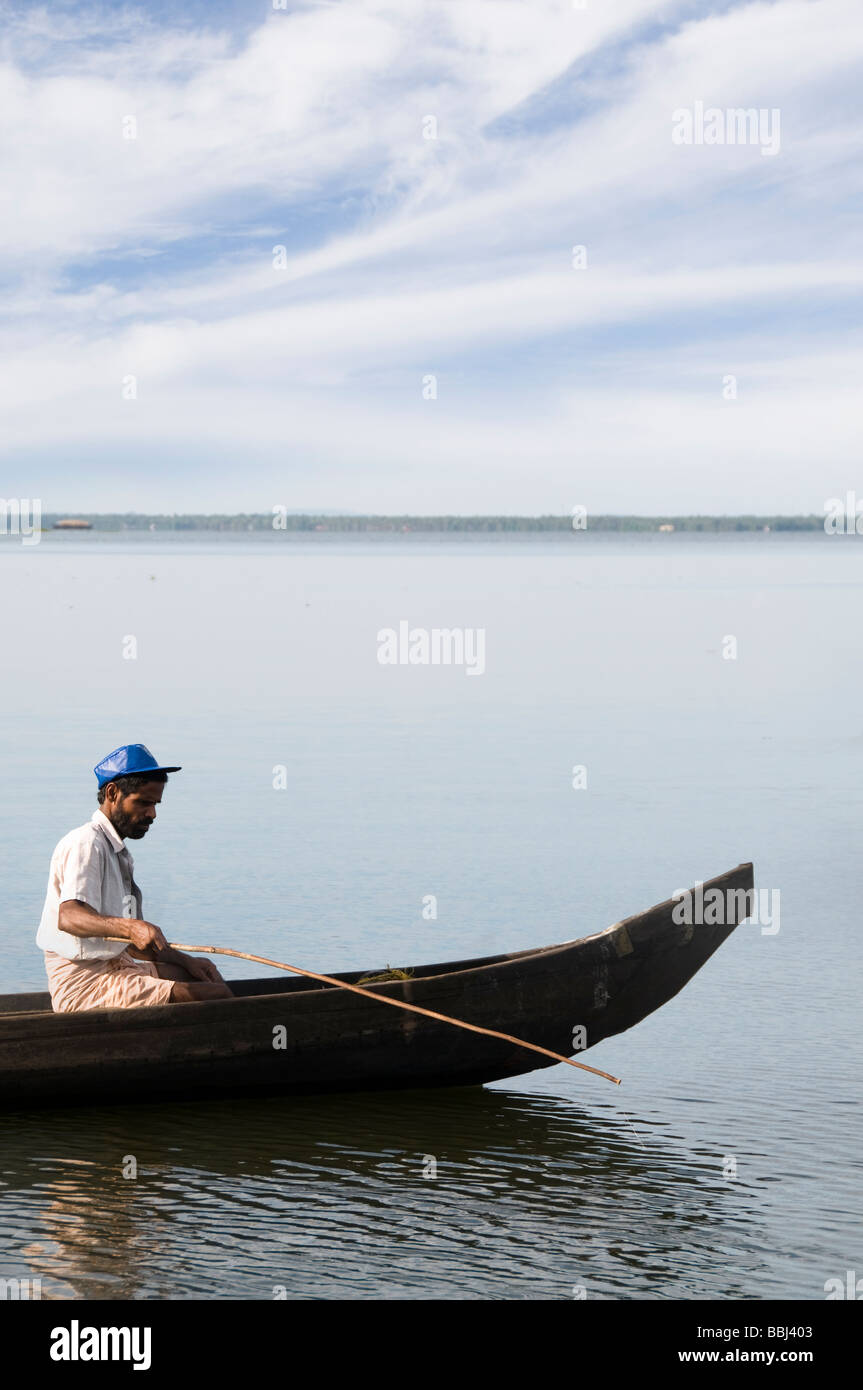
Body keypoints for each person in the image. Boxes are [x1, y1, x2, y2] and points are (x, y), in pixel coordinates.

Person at [36, 743, 233, 1012]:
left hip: (118, 968)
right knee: (216, 996)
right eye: (143, 802)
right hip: (84, 985)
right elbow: (70, 916)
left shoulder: (118, 853)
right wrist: (131, 928)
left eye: (155, 804)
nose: (152, 814)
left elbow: (136, 948)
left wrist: (187, 961)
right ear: (112, 793)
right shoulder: (87, 842)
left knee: (204, 975)